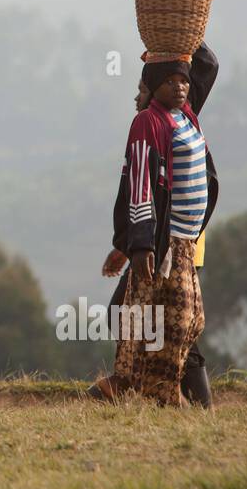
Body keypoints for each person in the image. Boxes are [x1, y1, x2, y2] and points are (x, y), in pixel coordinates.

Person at [93, 42, 218, 406]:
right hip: (166, 243)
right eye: (169, 81)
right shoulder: (151, 121)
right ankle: (155, 390)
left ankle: (129, 383)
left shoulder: (185, 115)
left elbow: (207, 65)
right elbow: (141, 187)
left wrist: (183, 36)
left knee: (181, 321)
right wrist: (140, 245)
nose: (180, 86)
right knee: (168, 321)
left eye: (184, 80)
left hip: (184, 242)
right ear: (154, 87)